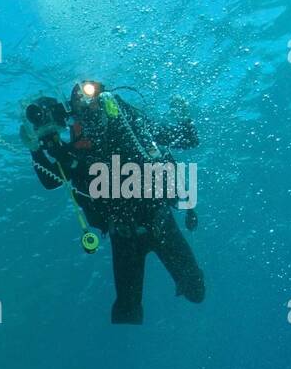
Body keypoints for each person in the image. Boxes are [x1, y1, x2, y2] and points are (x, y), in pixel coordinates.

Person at [22, 81, 204, 324]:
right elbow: (53, 181)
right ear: (72, 110)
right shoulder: (75, 147)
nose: (88, 105)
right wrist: (37, 148)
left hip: (160, 222)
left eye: (92, 97)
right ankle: (131, 356)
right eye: (79, 101)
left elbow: (187, 139)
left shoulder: (133, 127)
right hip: (123, 236)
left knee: (196, 291)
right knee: (126, 312)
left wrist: (184, 116)